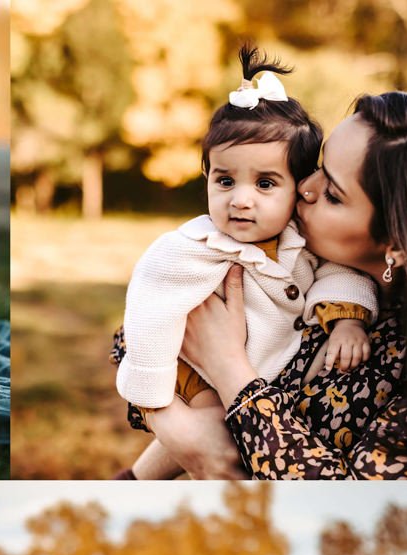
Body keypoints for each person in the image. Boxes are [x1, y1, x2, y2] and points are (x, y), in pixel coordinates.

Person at [161, 91, 407, 478]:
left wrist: (228, 371)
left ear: (400, 244)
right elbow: (159, 342)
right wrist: (174, 442)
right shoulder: (306, 271)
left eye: (333, 195)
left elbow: (349, 512)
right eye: (319, 166)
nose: (305, 185)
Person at [115, 46, 378, 480]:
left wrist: (347, 320)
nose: (240, 199)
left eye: (265, 183)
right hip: (197, 377)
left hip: (266, 384)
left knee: (232, 446)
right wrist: (151, 393)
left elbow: (338, 275)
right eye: (224, 180)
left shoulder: (302, 241)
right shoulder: (194, 246)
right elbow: (150, 300)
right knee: (213, 433)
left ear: (298, 186)